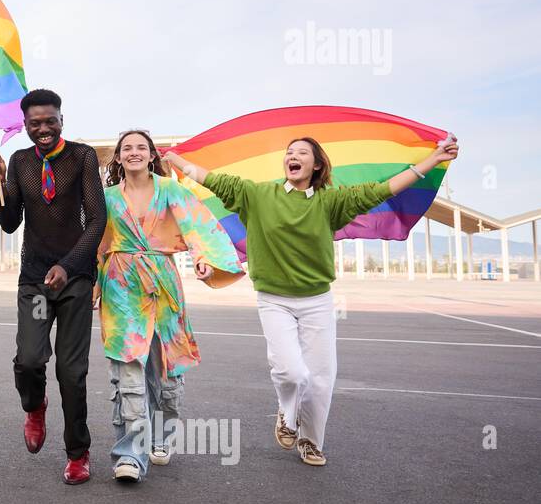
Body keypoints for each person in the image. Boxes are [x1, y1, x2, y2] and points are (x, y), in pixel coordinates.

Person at [164, 134, 460, 465]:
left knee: (321, 379)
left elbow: (385, 189)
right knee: (292, 373)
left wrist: (432, 160)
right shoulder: (257, 195)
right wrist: (175, 159)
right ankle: (287, 416)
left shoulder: (330, 202)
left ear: (315, 164)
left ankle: (310, 441)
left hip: (317, 300)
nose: (293, 156)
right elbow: (211, 179)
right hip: (274, 299)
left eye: (302, 153)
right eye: (289, 152)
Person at [94, 130, 243, 482]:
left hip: (163, 286)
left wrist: (205, 260)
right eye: (126, 148)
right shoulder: (107, 198)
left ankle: (161, 437)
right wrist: (93, 283)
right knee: (128, 373)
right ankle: (129, 455)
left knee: (167, 378)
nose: (133, 153)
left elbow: (200, 227)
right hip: (121, 286)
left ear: (151, 155)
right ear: (117, 157)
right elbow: (97, 245)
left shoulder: (172, 190)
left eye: (140, 147)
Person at [0, 89, 107, 484]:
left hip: (74, 279)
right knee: (29, 359)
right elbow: (8, 222)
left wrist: (68, 265)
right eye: (34, 123)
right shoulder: (21, 162)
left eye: (49, 121)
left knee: (72, 373)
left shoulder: (83, 157)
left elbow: (96, 221)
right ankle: (34, 406)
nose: (43, 129)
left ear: (61, 119)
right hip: (36, 282)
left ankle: (78, 453)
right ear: (24, 125)